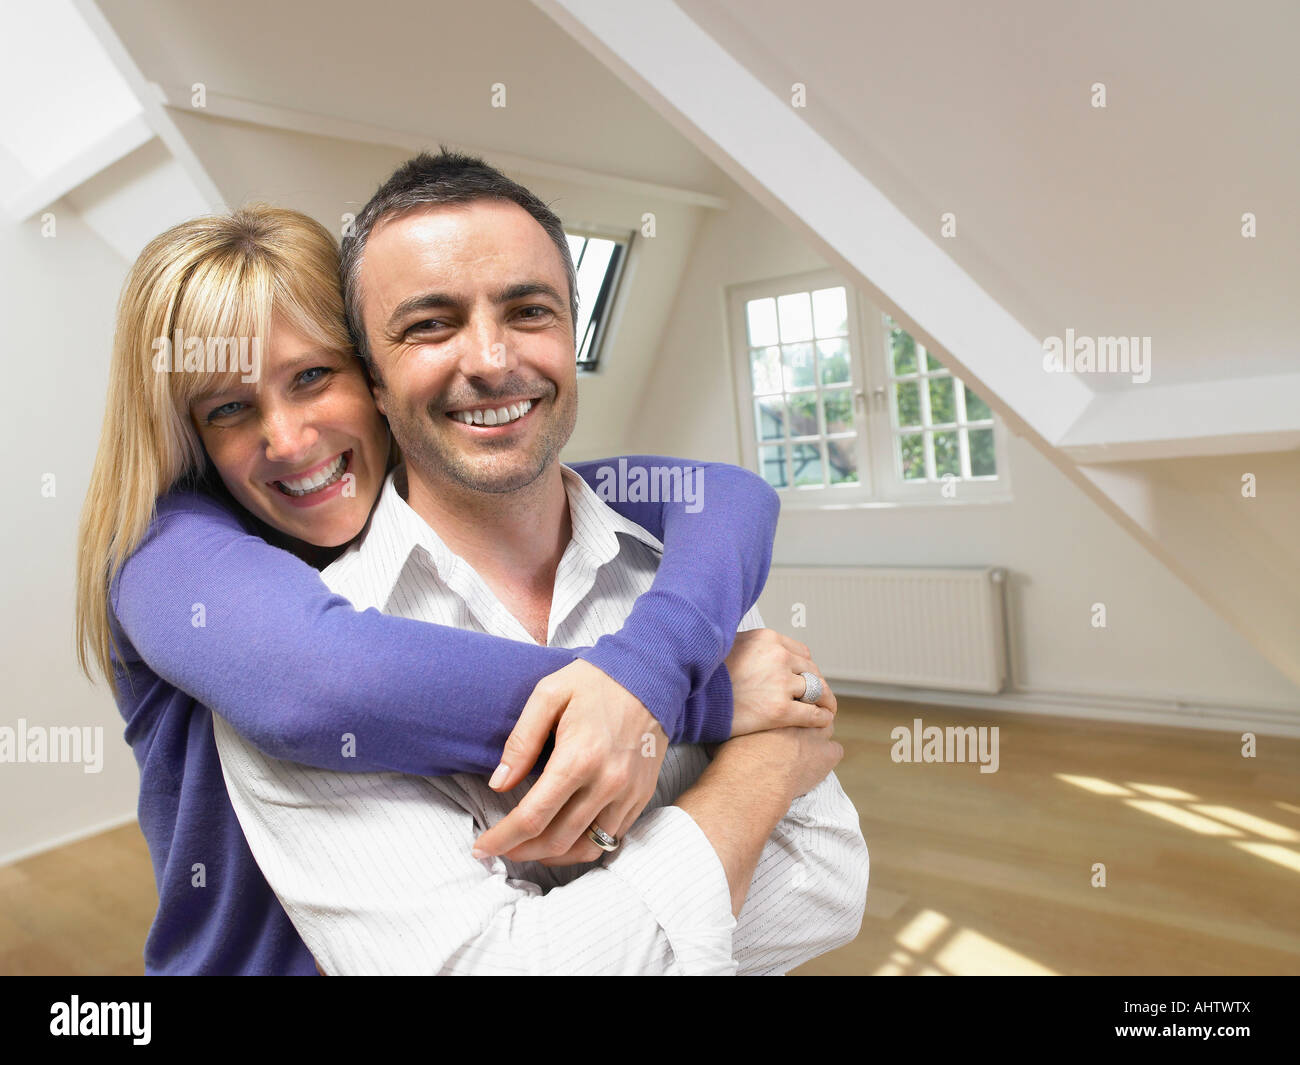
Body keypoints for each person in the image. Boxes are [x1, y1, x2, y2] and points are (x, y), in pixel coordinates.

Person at [74, 204, 836, 975]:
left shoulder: (424, 497)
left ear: (375, 380)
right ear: (190, 432)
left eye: (312, 376)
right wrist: (688, 696)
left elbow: (725, 496)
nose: (290, 438)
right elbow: (322, 681)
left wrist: (659, 655)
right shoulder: (165, 551)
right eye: (229, 407)